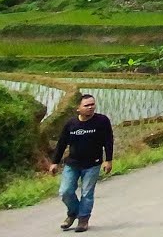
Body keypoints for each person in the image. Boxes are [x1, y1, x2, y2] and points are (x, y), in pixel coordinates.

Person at [49, 94, 114, 232]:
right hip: (72, 163)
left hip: (93, 164)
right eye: (86, 105)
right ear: (78, 108)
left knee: (87, 193)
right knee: (65, 191)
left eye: (92, 105)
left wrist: (108, 160)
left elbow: (108, 141)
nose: (90, 108)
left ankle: (83, 220)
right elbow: (61, 144)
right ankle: (73, 213)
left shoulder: (102, 121)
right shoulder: (71, 124)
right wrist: (54, 162)